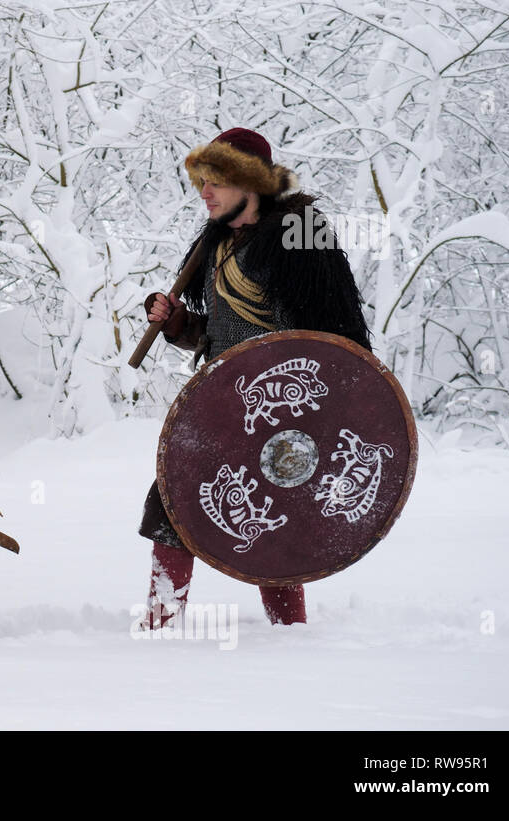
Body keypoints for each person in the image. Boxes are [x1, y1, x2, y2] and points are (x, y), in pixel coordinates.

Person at [138, 127, 371, 629]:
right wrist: (179, 324)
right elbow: (222, 339)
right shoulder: (218, 245)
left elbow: (337, 340)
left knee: (274, 519)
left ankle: (288, 634)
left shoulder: (299, 237)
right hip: (228, 409)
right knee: (174, 501)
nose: (204, 192)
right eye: (201, 181)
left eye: (215, 180)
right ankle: (162, 622)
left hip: (285, 416)